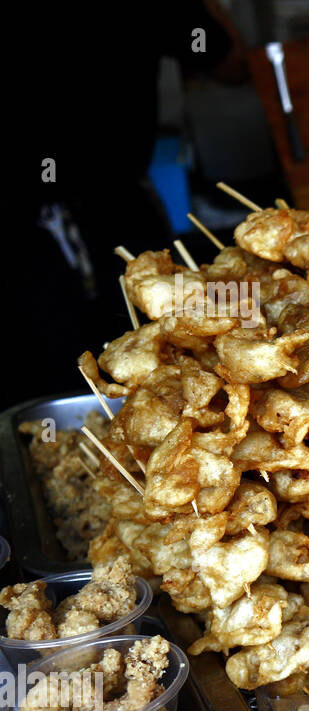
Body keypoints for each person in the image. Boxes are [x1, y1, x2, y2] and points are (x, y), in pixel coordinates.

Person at [9, 1, 246, 410]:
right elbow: (232, 63)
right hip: (85, 217)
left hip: (111, 210)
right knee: (116, 378)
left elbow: (220, 56)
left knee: (156, 371)